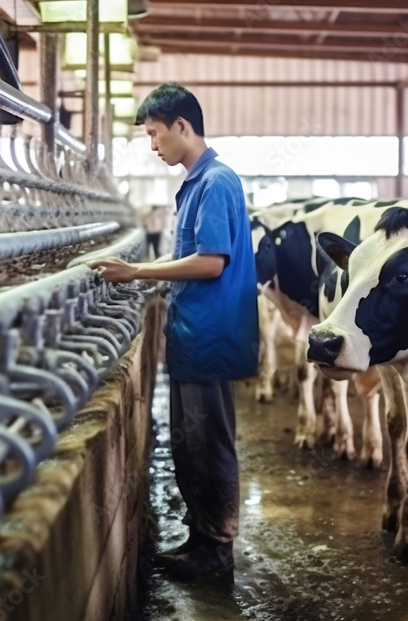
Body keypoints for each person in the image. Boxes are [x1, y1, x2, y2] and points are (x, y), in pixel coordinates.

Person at [88, 83, 259, 579]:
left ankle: (216, 550)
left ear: (182, 127)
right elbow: (188, 257)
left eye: (155, 134)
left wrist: (137, 274)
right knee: (192, 444)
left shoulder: (216, 183)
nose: (153, 145)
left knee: (208, 443)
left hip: (211, 334)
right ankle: (201, 537)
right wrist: (137, 274)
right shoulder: (196, 183)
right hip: (194, 334)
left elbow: (209, 263)